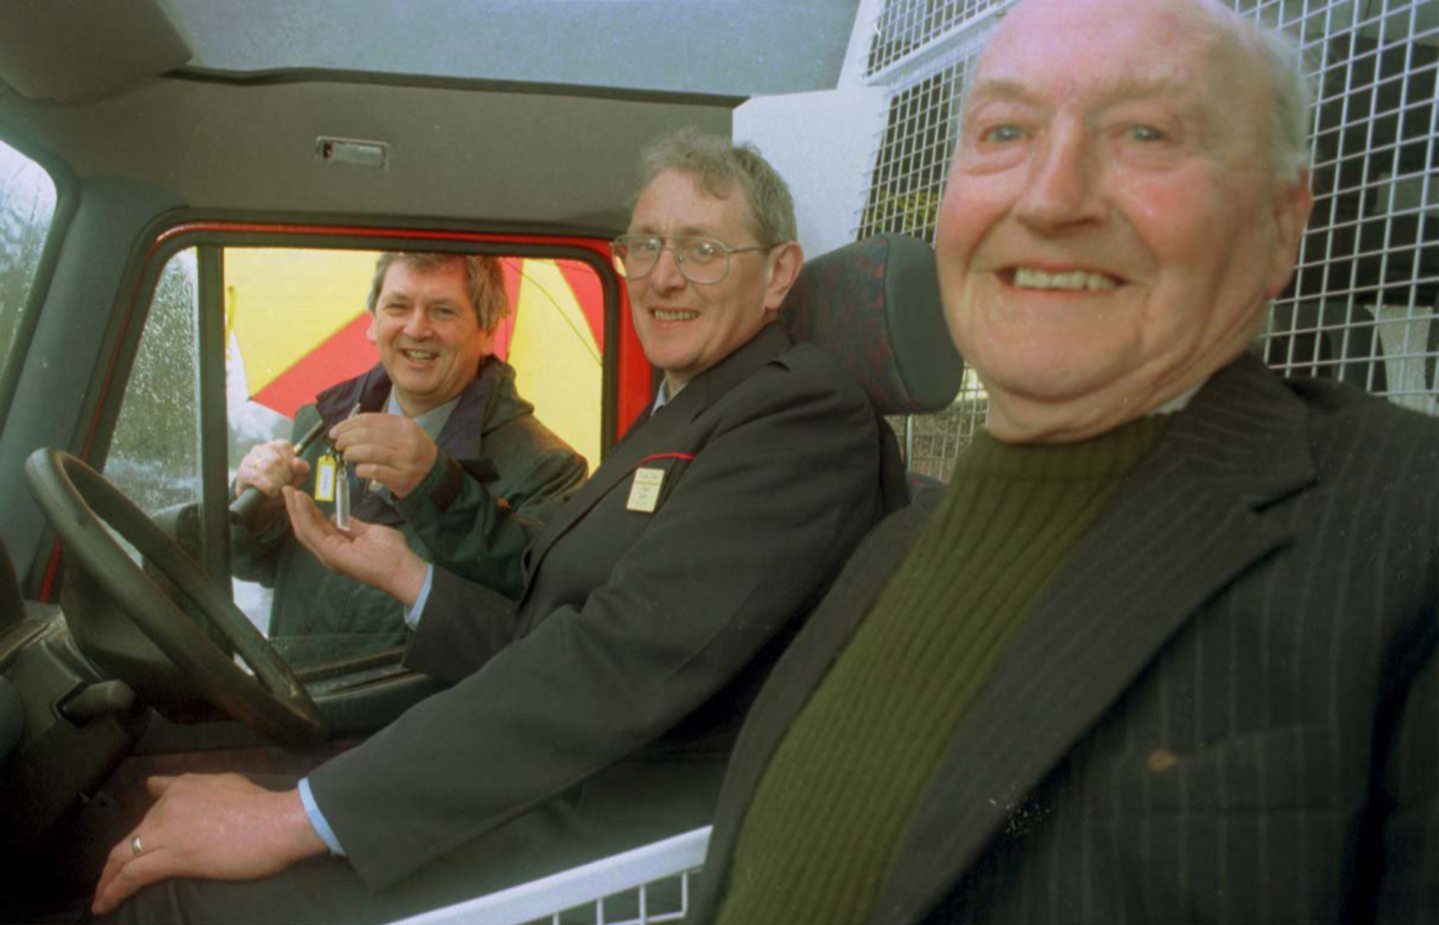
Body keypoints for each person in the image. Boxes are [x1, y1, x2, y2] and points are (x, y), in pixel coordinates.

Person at [687, 1, 1439, 922]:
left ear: (1279, 226)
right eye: (1004, 130)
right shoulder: (892, 550)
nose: (1048, 197)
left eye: (1144, 133)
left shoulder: (1410, 528)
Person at [93, 132, 904, 923]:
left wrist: (289, 818)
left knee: (178, 896)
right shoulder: (682, 409)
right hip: (556, 770)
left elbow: (611, 664)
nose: (661, 275)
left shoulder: (801, 414)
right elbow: (550, 627)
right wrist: (407, 577)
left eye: (699, 250)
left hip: (614, 827)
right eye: (645, 244)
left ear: (778, 275)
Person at [231, 251, 587, 661]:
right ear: (372, 321)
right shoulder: (318, 422)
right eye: (398, 306)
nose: (417, 329)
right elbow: (259, 568)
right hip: (299, 703)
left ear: (488, 331)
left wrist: (436, 483)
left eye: (443, 311)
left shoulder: (549, 467)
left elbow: (534, 607)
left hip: (410, 716)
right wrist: (256, 508)